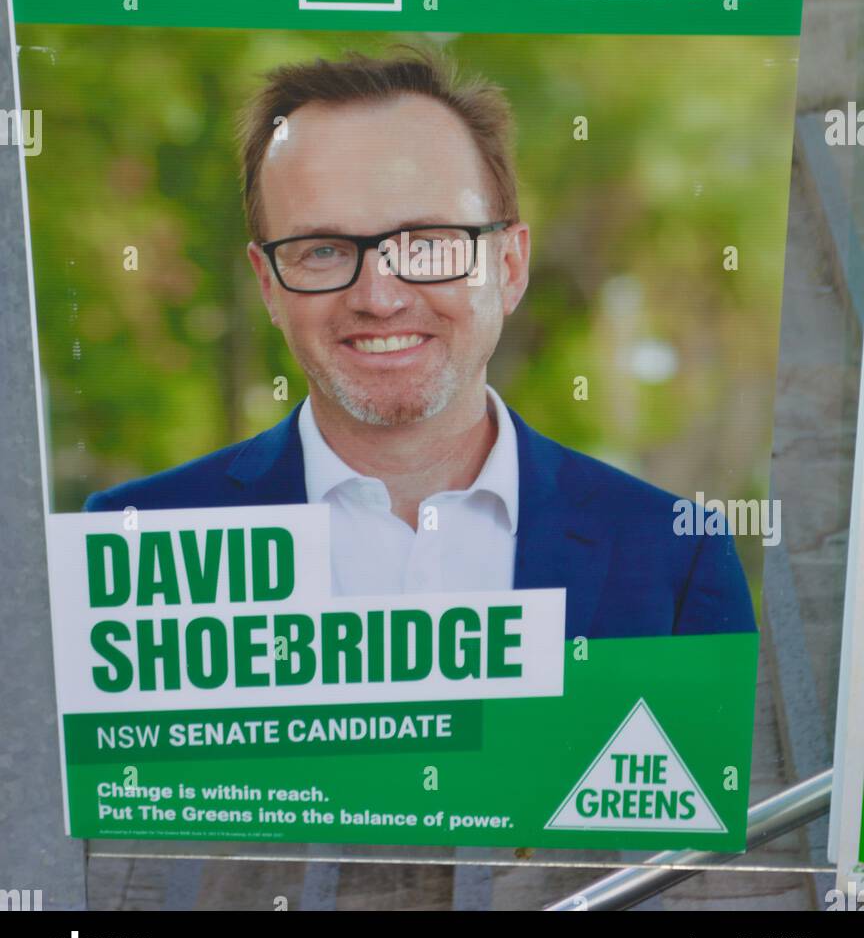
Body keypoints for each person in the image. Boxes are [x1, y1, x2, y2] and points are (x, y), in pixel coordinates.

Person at [86, 50, 757, 639]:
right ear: (267, 284)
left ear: (510, 267)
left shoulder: (675, 553)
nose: (379, 298)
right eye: (321, 249)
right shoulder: (134, 545)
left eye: (428, 244)